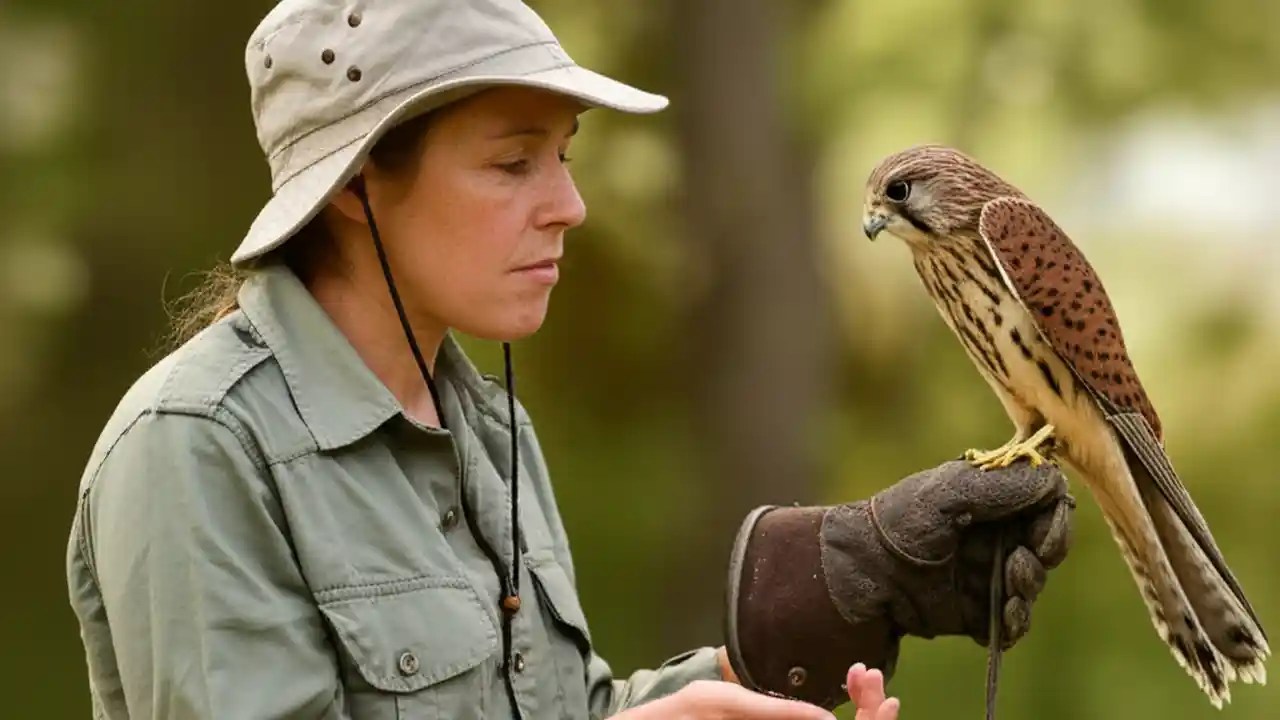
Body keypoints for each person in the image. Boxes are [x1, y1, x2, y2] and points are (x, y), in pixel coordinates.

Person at [65, 1, 1075, 718]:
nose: (568, 206)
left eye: (564, 156)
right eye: (512, 163)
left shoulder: (488, 431)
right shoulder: (196, 449)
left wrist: (825, 594)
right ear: (355, 184)